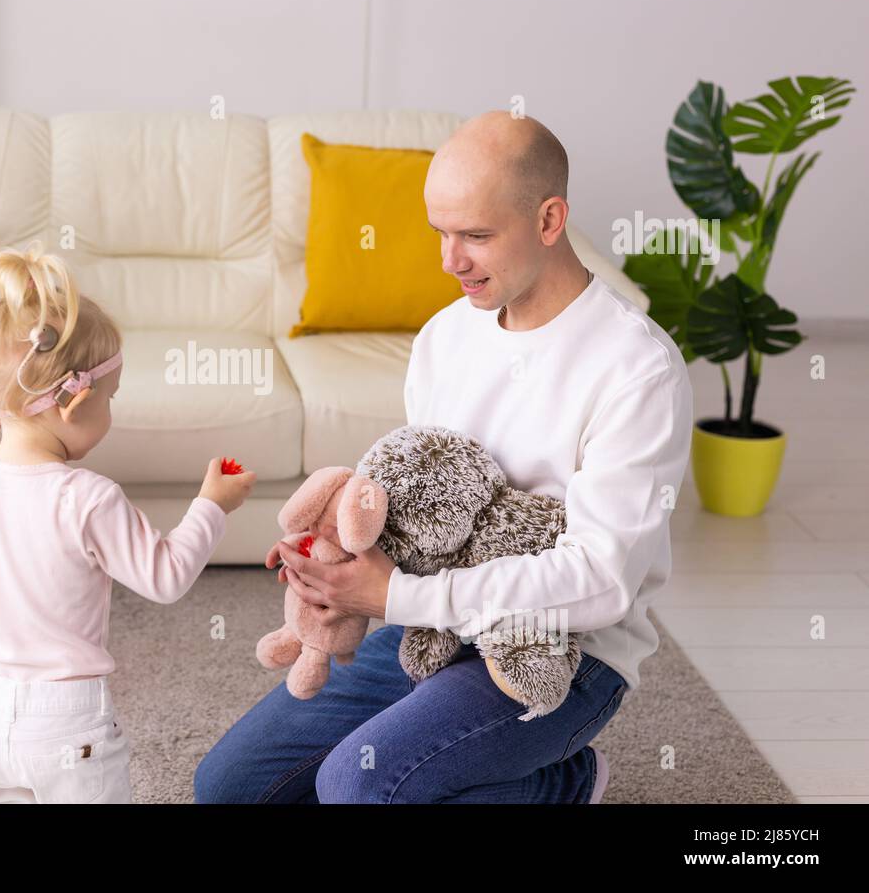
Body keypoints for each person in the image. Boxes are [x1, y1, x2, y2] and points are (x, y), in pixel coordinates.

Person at [194, 110, 693, 803]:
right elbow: (420, 506)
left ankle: (567, 784)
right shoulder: (445, 337)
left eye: (476, 237)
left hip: (563, 650)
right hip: (432, 627)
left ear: (550, 220)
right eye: (442, 234)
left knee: (357, 786)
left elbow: (601, 581)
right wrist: (336, 561)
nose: (449, 260)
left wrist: (397, 595)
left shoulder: (636, 368)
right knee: (230, 789)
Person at [0, 242, 256, 803]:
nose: (110, 411)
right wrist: (211, 505)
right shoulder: (89, 498)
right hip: (67, 720)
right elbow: (165, 577)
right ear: (73, 403)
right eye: (109, 397)